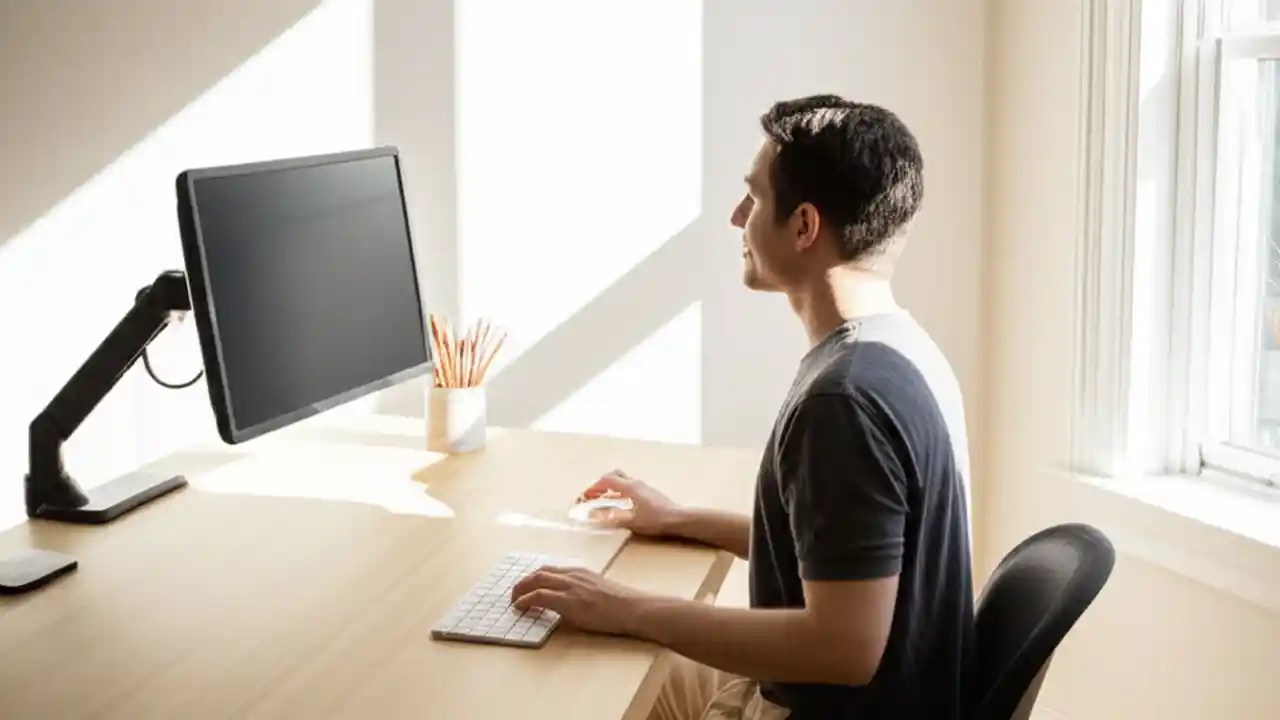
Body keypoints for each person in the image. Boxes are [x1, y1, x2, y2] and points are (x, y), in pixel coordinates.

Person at [511, 94, 974, 719]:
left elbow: (843, 647)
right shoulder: (905, 347)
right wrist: (680, 519)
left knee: (578, 684)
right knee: (627, 666)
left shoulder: (844, 400)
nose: (736, 217)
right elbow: (842, 556)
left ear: (804, 226)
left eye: (753, 198)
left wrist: (625, 606)